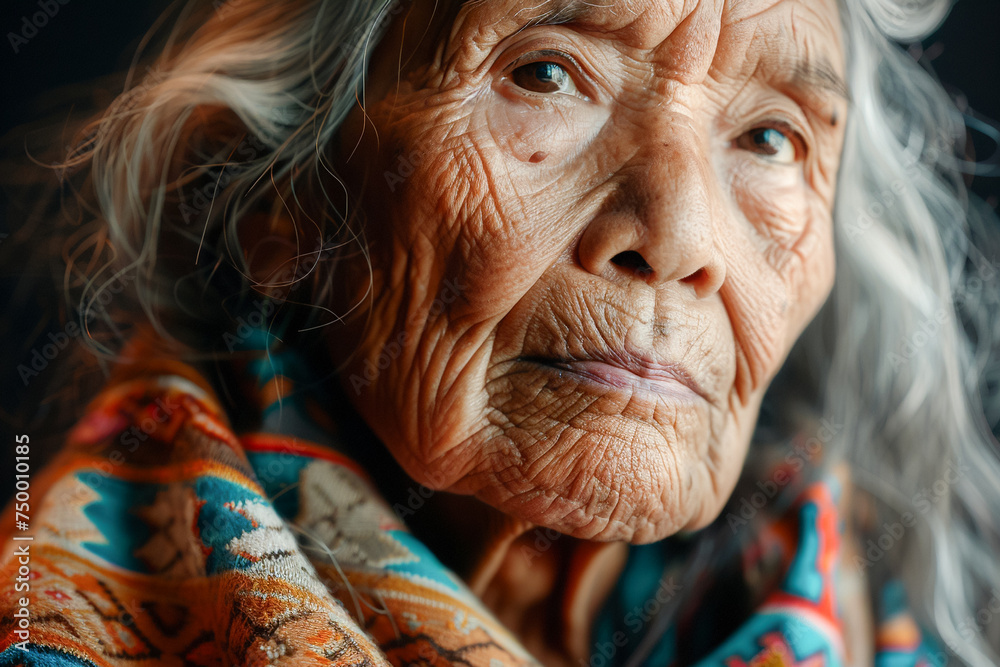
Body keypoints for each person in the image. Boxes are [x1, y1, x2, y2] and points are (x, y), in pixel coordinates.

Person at [2, 0, 999, 664]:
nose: (681, 236)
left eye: (769, 136)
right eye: (546, 74)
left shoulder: (860, 611)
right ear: (281, 193)